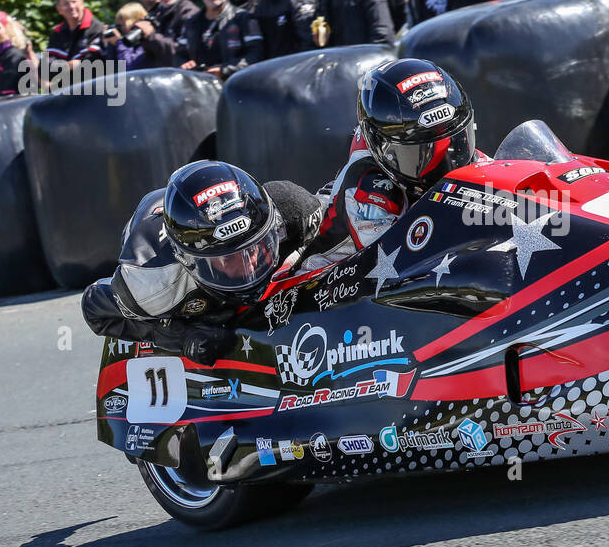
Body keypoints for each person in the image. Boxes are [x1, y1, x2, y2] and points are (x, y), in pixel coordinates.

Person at [80, 161, 324, 363]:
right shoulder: (152, 284)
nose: (250, 266)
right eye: (230, 259)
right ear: (192, 262)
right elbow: (94, 309)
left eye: (256, 248)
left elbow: (340, 204)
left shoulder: (295, 212)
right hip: (153, 238)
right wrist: (181, 338)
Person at [299, 57, 479, 272]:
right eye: (421, 154)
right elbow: (400, 266)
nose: (446, 165)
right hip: (332, 286)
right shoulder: (369, 193)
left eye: (455, 142)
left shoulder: (449, 152)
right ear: (383, 148)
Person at [178, 0, 263, 81]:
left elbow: (256, 55)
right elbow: (178, 54)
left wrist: (225, 70)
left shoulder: (243, 18)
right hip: (201, 88)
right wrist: (184, 64)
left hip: (234, 87)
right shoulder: (191, 23)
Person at [41, 0, 106, 89]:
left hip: (92, 93)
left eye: (74, 2)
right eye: (66, 3)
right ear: (59, 9)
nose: (71, 6)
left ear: (82, 3)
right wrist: (71, 65)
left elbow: (92, 65)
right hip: (63, 96)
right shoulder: (57, 33)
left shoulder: (96, 28)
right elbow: (46, 69)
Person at [144, 0, 201, 67]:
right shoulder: (156, 13)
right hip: (158, 76)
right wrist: (118, 43)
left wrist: (150, 35)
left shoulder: (190, 13)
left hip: (179, 76)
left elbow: (180, 52)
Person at [100, 3, 151, 71]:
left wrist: (120, 43)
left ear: (137, 22)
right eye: (119, 25)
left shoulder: (146, 40)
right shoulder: (122, 43)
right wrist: (111, 45)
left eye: (123, 25)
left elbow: (128, 67)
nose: (121, 29)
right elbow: (111, 69)